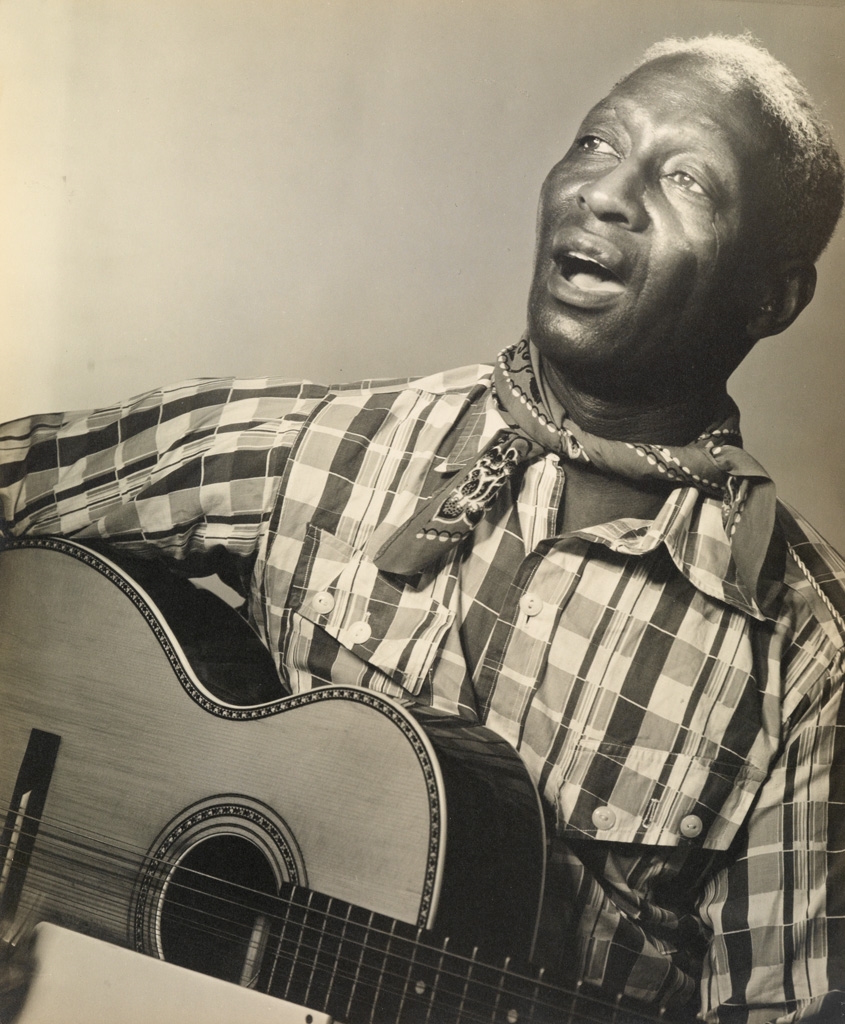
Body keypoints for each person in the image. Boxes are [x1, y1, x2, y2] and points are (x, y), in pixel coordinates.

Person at [1, 32, 844, 1024]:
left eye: (686, 179)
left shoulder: (806, 660)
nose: (607, 193)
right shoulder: (326, 447)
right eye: (594, 143)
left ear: (772, 296)